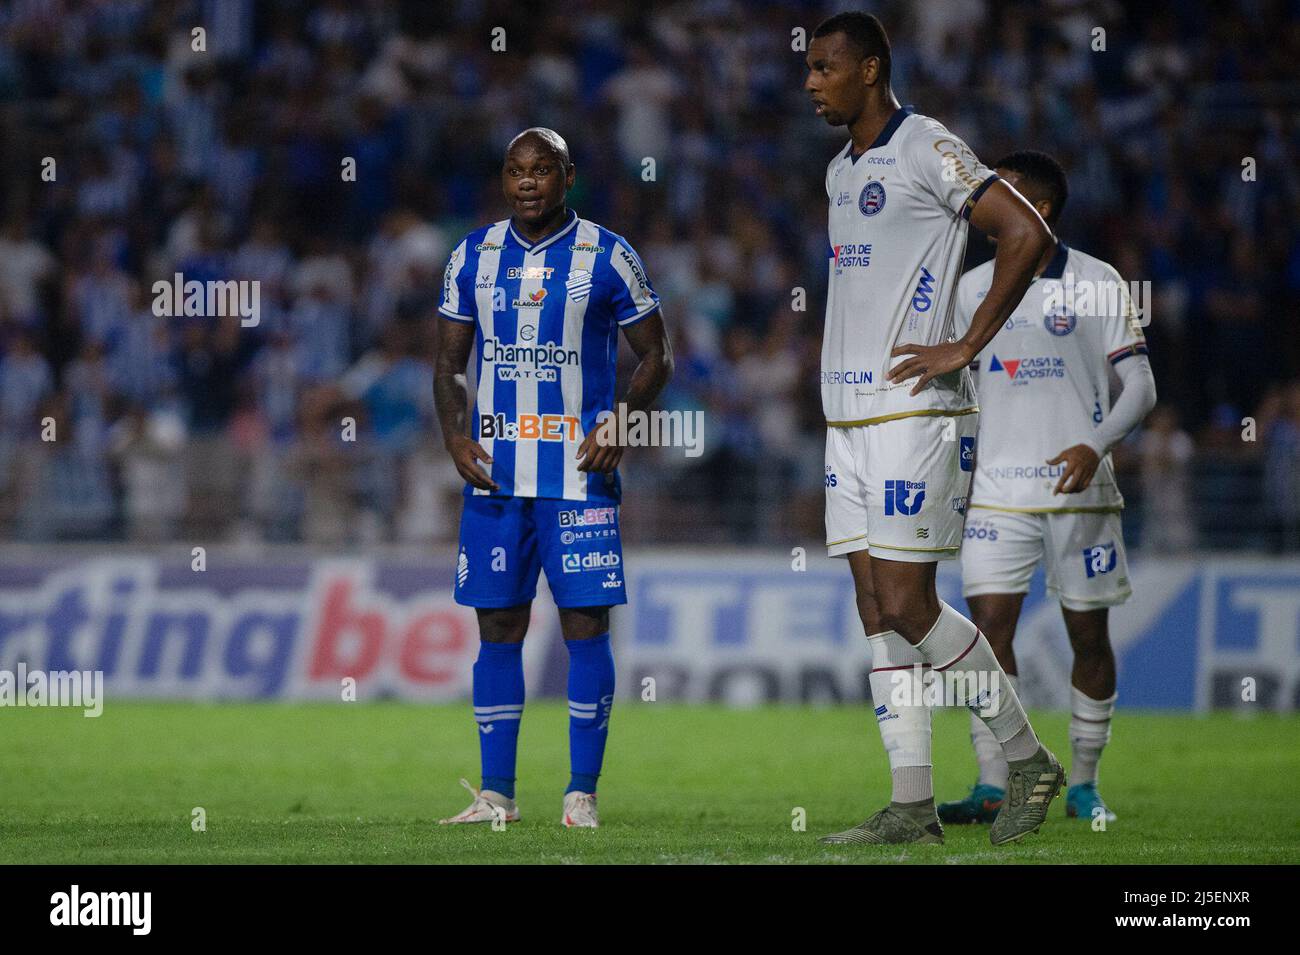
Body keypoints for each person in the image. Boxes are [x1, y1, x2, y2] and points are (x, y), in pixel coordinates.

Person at [805, 12, 1063, 846]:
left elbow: (1026, 231)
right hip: (846, 420)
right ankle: (911, 803)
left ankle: (1026, 759)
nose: (811, 81)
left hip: (913, 413)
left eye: (825, 67)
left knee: (913, 605)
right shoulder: (841, 171)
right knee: (877, 609)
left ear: (871, 69)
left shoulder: (927, 144)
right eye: (809, 68)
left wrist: (965, 343)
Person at [433, 128, 673, 828]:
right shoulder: (470, 255)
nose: (527, 182)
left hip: (577, 475)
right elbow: (449, 364)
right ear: (504, 179)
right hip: (496, 476)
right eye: (515, 171)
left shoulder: (609, 253)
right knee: (499, 625)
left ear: (568, 175)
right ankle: (495, 795)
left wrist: (622, 423)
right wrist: (454, 430)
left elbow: (656, 353)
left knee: (584, 626)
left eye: (542, 170)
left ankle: (581, 795)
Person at [940, 150, 1157, 826]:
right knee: (986, 636)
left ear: (1042, 206)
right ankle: (994, 778)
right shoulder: (970, 287)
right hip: (997, 494)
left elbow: (1143, 387)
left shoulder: (1095, 281)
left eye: (1000, 192)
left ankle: (1085, 781)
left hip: (1078, 489)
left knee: (1087, 636)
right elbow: (957, 393)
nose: (983, 205)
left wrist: (1096, 445)